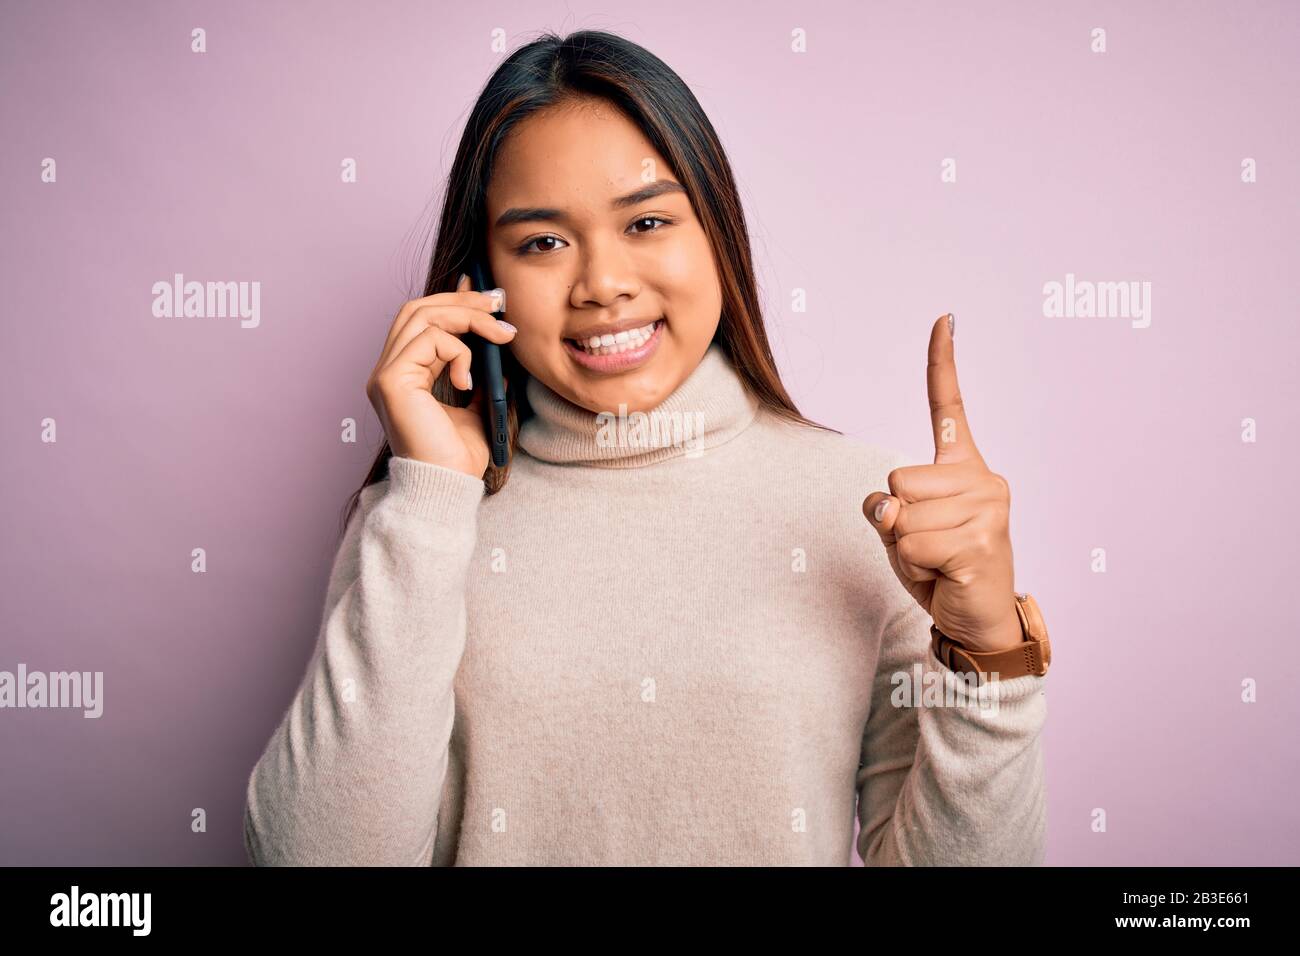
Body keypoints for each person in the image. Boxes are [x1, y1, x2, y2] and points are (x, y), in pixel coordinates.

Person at [242, 29, 1049, 866]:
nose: (601, 283)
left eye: (648, 221)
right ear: (481, 281)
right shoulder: (421, 515)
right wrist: (429, 499)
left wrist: (989, 653)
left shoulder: (870, 511)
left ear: (716, 234)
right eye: (542, 242)